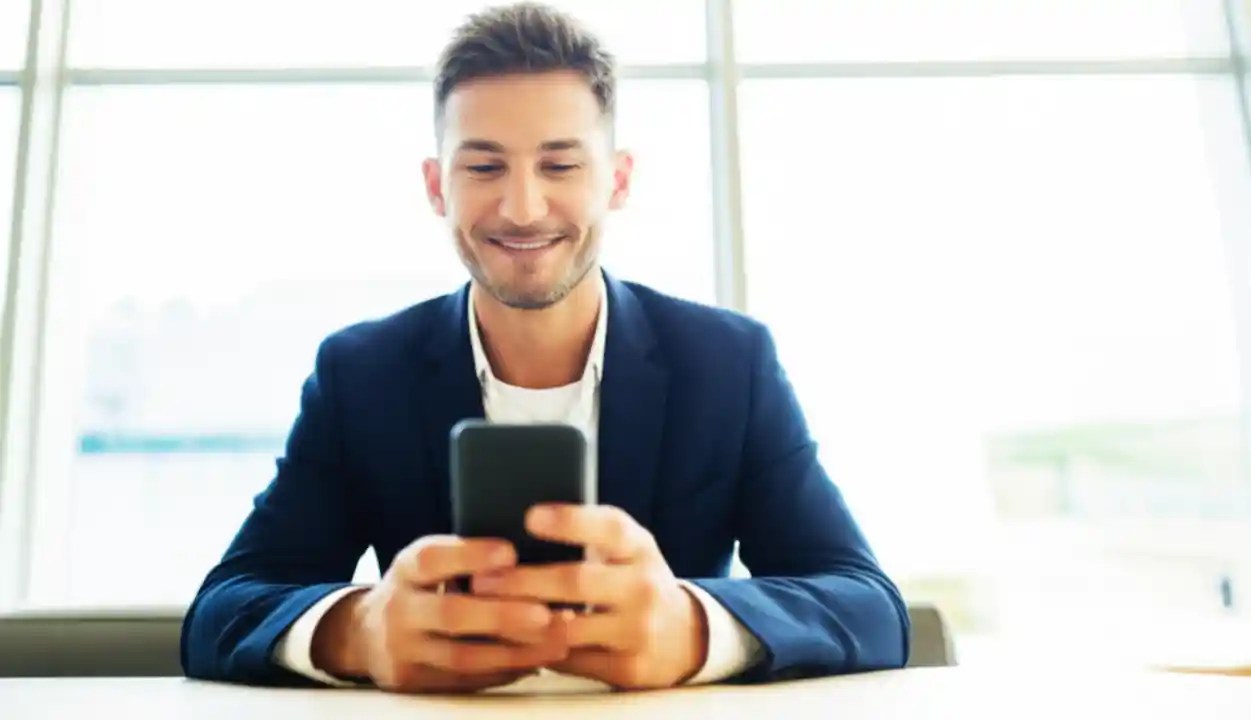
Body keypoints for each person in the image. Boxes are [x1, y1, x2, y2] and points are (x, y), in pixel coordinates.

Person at [180, 2, 909, 693]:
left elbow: (868, 604)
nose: (523, 207)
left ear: (616, 180)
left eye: (560, 166)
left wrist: (691, 629)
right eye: (484, 167)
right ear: (437, 186)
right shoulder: (361, 374)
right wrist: (359, 632)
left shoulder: (727, 364)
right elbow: (224, 609)